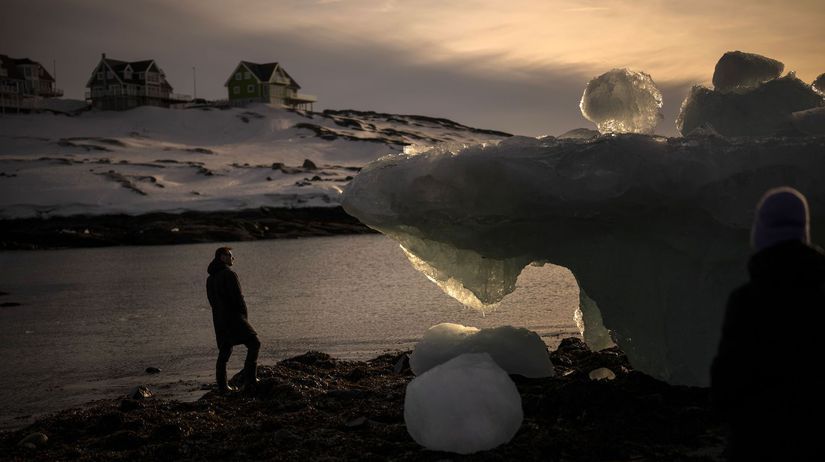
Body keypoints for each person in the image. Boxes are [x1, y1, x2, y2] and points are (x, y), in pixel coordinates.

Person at [711, 187, 825, 461]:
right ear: (803, 233)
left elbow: (726, 386)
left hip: (758, 443)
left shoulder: (747, 302)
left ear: (761, 232)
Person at [207, 246, 261, 394]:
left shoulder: (210, 279)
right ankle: (250, 380)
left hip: (219, 320)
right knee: (254, 343)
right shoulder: (229, 274)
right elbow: (238, 297)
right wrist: (243, 315)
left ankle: (223, 387)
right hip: (234, 317)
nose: (233, 258)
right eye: (230, 255)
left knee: (225, 351)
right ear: (222, 257)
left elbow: (212, 302)